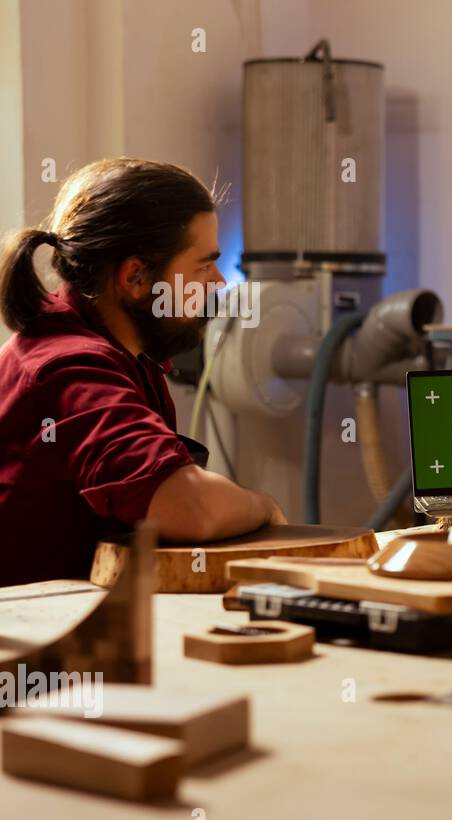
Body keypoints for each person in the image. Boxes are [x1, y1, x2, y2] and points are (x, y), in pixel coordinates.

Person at [0, 158, 286, 587]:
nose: (220, 283)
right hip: (48, 644)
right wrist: (263, 506)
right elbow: (190, 507)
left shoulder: (123, 356)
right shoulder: (71, 368)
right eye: (203, 266)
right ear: (135, 276)